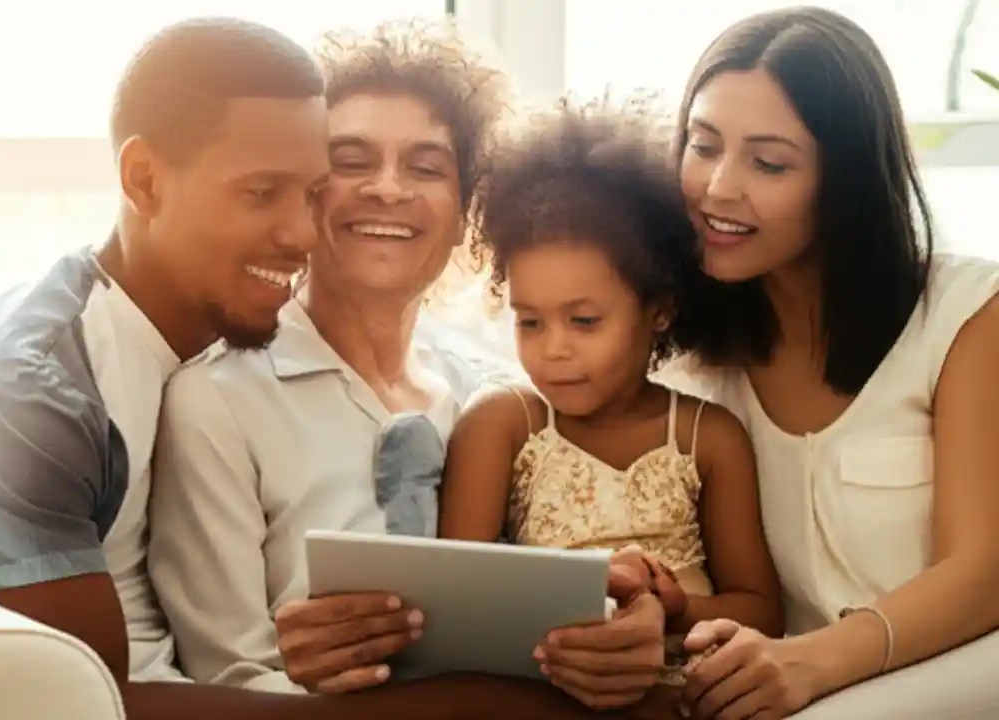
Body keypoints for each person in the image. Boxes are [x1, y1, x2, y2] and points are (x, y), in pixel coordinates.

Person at [0, 16, 573, 720]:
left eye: (310, 192)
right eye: (264, 193)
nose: (299, 233)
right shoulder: (24, 391)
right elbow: (83, 703)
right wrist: (473, 702)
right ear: (144, 181)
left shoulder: (480, 386)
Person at [148, 20, 606, 716]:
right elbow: (228, 673)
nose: (389, 190)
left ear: (465, 211)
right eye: (351, 161)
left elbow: (570, 596)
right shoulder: (216, 398)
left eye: (426, 167)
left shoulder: (503, 391)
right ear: (305, 189)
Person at [643, 7, 999, 719]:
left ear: (849, 180)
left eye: (768, 162)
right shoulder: (684, 367)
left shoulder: (968, 313)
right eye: (703, 145)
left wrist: (810, 665)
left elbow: (983, 576)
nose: (717, 188)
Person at [437, 101, 783, 715]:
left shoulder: (709, 436)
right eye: (529, 321)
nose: (554, 350)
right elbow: (458, 607)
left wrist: (669, 614)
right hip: (545, 698)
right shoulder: (501, 426)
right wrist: (593, 607)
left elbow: (761, 608)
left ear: (660, 309)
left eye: (585, 320)